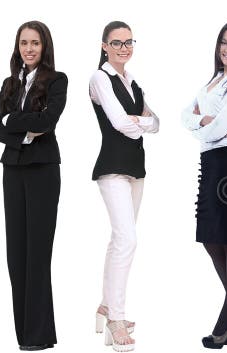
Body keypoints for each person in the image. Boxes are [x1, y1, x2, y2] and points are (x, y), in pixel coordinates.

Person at [0, 20, 66, 352]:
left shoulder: (56, 80)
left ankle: (38, 336)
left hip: (43, 171)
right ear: (17, 46)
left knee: (37, 253)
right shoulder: (10, 83)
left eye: (35, 43)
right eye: (24, 43)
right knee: (16, 253)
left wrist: (12, 120)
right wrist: (22, 131)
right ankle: (26, 336)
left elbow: (47, 121)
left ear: (44, 46)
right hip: (13, 170)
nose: (29, 49)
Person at [180, 20, 227, 349]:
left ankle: (226, 321)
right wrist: (203, 121)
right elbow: (184, 116)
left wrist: (206, 125)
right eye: (225, 42)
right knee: (211, 240)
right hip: (210, 166)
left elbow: (219, 129)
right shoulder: (213, 81)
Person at [89, 20, 159, 352]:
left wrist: (140, 122)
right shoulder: (99, 78)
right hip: (112, 169)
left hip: (136, 170)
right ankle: (116, 319)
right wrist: (139, 123)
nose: (124, 48)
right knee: (128, 240)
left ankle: (106, 307)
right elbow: (119, 123)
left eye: (129, 42)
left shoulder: (133, 83)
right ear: (105, 46)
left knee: (120, 240)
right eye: (116, 43)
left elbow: (156, 123)